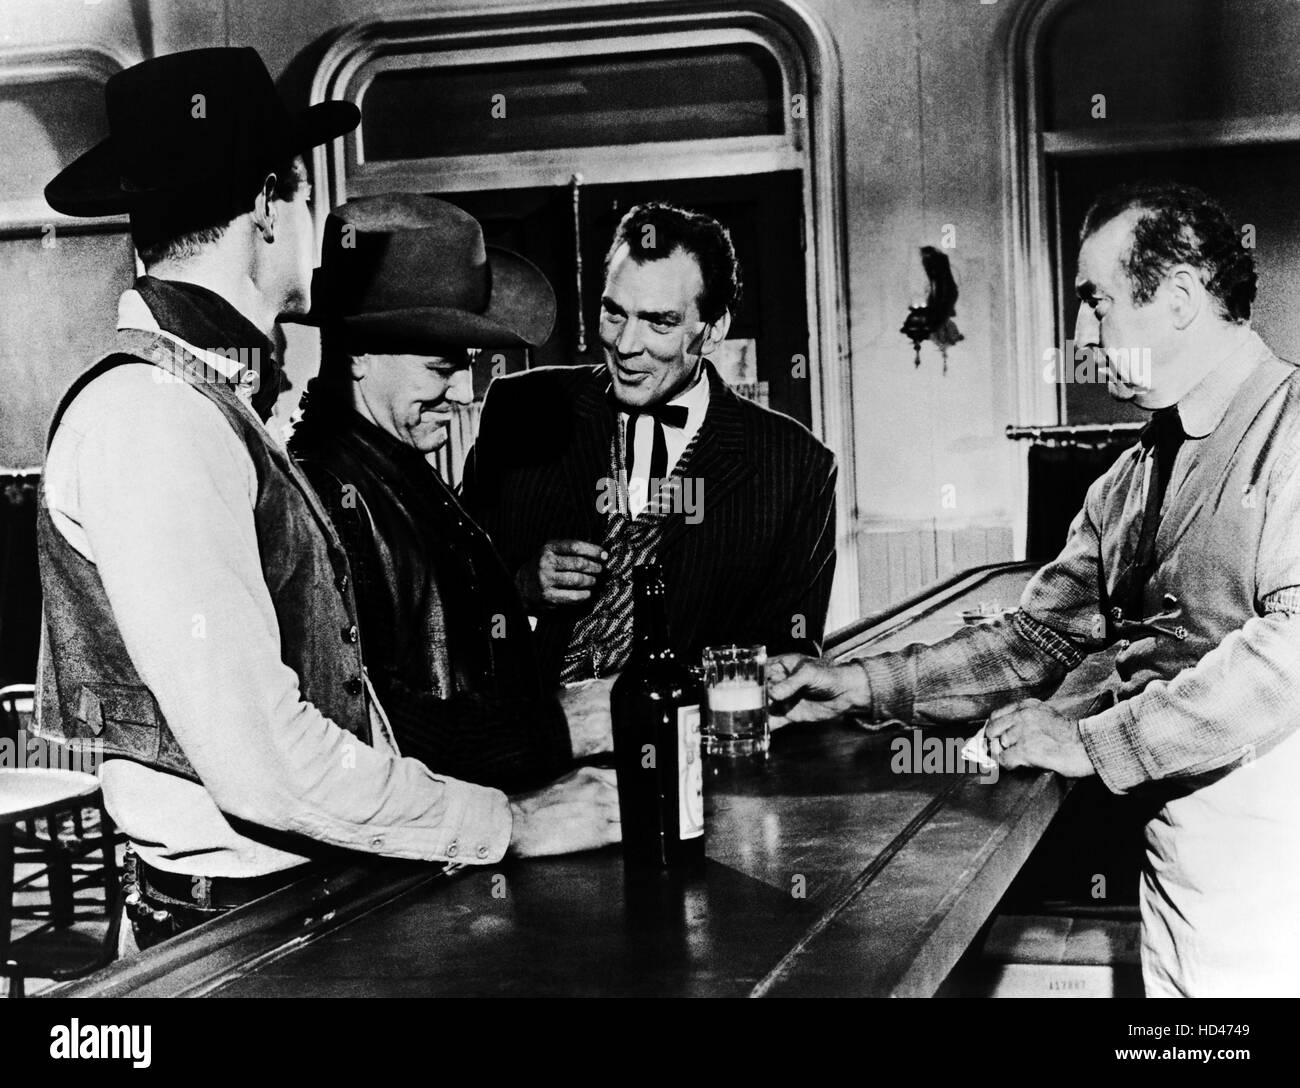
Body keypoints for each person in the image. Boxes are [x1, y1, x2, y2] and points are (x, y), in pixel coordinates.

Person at [35, 47, 618, 951]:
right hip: (242, 927)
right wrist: (507, 822)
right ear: (271, 205)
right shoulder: (156, 416)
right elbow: (265, 764)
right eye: (306, 197)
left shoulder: (204, 402)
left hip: (300, 896)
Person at [770, 181, 1300, 998]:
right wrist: (859, 685)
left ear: (1181, 298)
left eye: (1096, 303)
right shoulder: (1131, 479)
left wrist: (1092, 744)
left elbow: (1287, 657)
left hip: (1276, 871)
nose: (1083, 335)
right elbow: (1034, 639)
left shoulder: (1293, 432)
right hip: (1182, 864)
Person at [289, 194, 612, 791]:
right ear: (359, 356)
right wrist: (564, 727)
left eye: (467, 364)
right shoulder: (327, 495)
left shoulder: (393, 463)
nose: (465, 393)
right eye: (441, 369)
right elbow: (367, 723)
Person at [461, 201, 838, 686]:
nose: (625, 345)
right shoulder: (522, 409)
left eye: (659, 322)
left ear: (712, 331)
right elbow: (446, 587)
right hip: (529, 726)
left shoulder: (797, 466)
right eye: (614, 313)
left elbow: (785, 660)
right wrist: (520, 587)